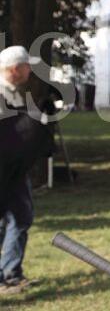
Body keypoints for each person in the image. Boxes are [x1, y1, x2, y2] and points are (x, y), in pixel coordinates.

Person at [0, 46, 42, 294]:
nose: (30, 70)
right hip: (5, 171)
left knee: (17, 217)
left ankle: (10, 273)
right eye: (27, 66)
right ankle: (8, 276)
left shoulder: (12, 93)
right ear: (15, 68)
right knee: (18, 217)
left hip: (14, 169)